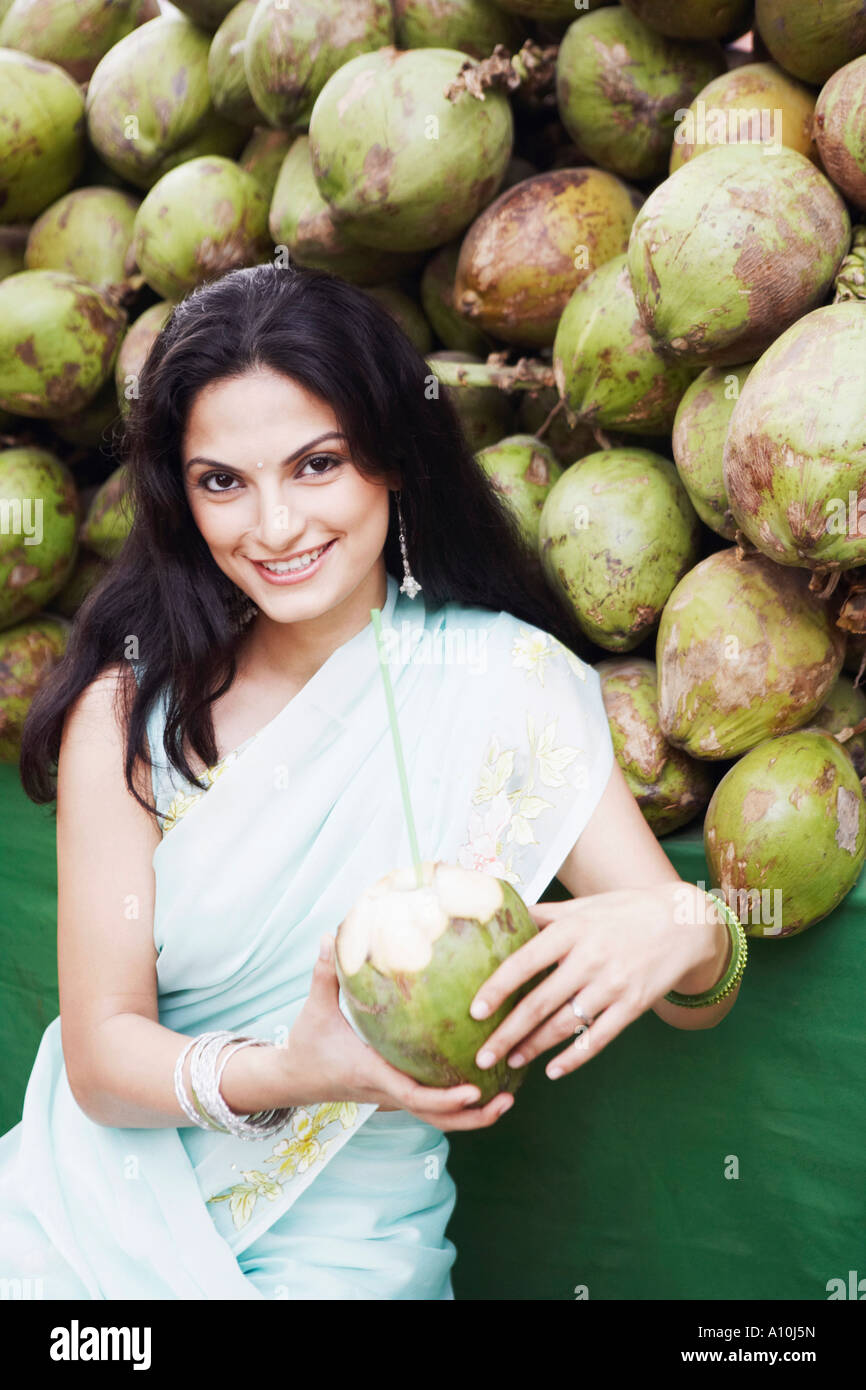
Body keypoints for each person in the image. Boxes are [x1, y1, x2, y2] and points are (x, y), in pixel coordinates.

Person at [0, 263, 745, 1300]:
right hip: (84, 1242)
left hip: (356, 1262)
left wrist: (691, 926)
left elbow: (686, 995)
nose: (271, 527)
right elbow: (101, 1060)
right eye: (223, 481)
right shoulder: (127, 718)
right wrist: (292, 1073)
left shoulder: (503, 682)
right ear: (180, 494)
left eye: (316, 465)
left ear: (392, 459)